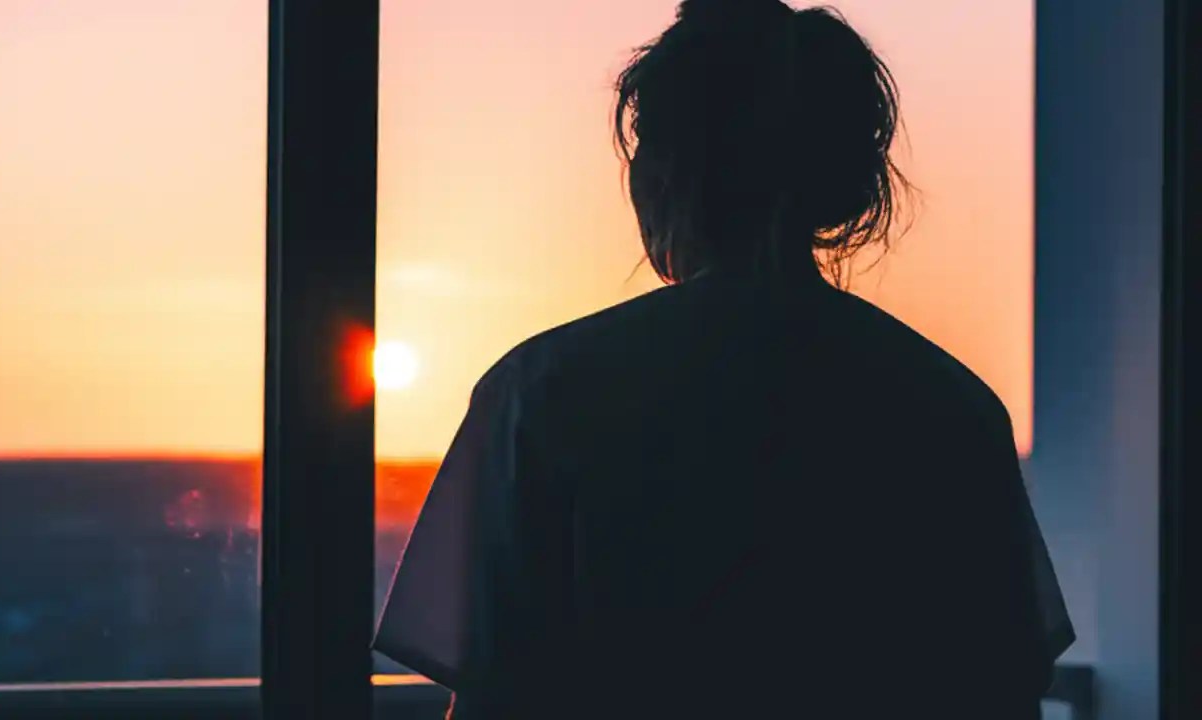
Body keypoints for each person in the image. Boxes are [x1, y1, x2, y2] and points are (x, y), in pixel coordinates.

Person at [374, 1, 1074, 718]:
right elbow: (999, 687)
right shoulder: (950, 407)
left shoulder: (543, 392)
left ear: (670, 172)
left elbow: (497, 693)